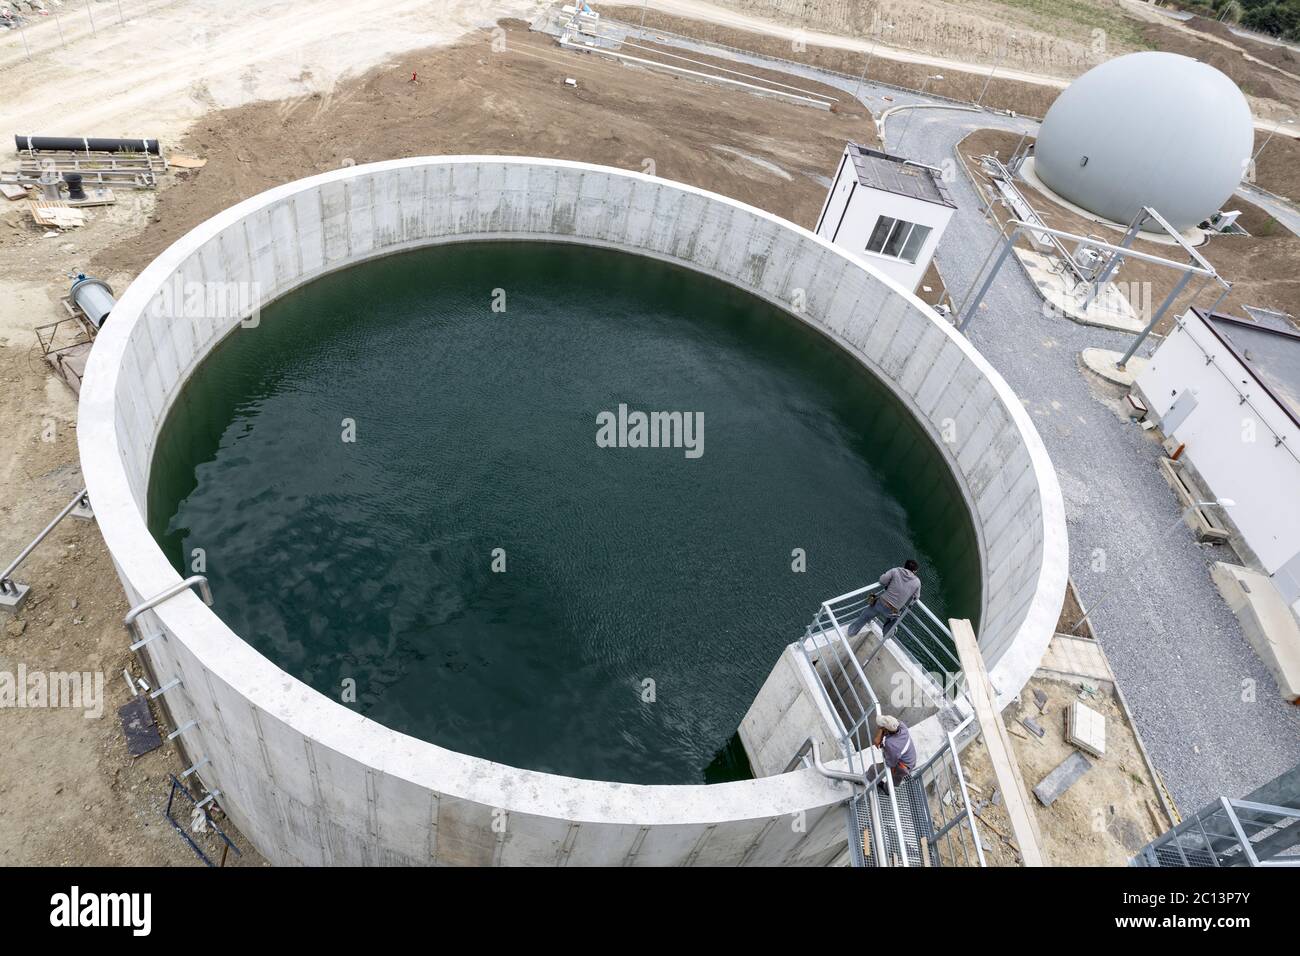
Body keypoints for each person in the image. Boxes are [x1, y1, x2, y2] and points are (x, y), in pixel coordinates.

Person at [848, 560, 921, 638]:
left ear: (904, 566)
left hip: (881, 603)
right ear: (915, 571)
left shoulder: (895, 571)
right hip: (893, 611)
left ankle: (851, 632)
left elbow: (882, 580)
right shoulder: (917, 582)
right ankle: (888, 635)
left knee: (864, 616)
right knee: (891, 624)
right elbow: (916, 597)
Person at [873, 714, 917, 784]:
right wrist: (880, 735)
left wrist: (881, 744)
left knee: (892, 780)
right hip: (910, 758)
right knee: (894, 779)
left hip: (904, 766)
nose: (878, 727)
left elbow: (890, 763)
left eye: (880, 727)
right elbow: (892, 724)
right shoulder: (901, 726)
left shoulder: (891, 744)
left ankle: (886, 790)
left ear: (885, 730)